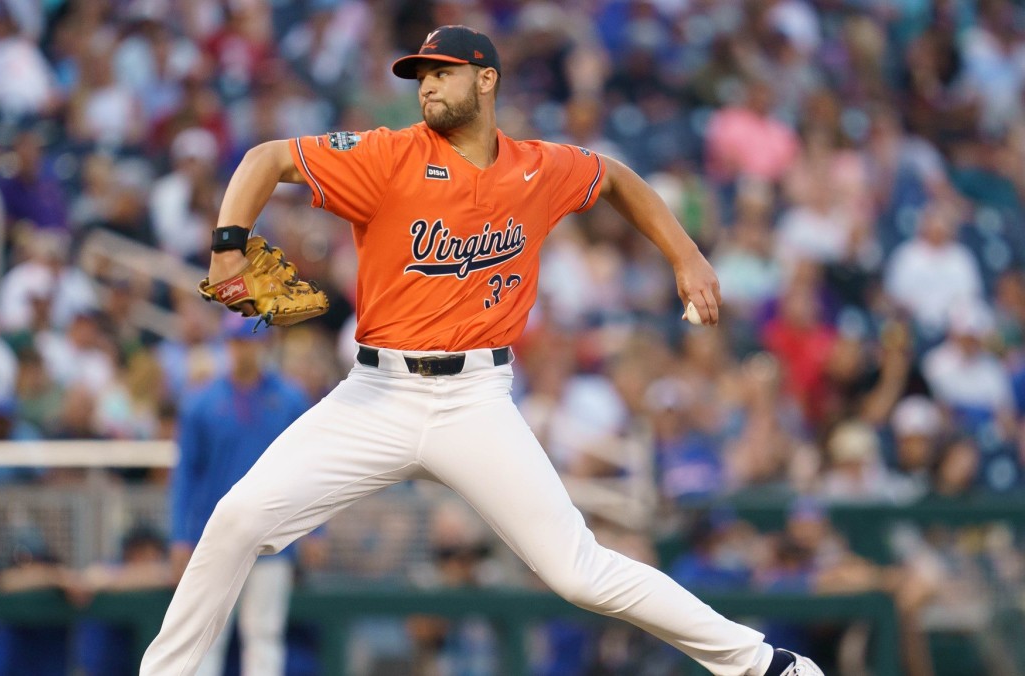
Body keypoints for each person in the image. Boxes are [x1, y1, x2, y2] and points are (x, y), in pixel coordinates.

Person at [143, 26, 823, 676]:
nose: (427, 86)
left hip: (475, 401)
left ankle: (763, 664)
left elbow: (614, 177)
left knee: (575, 570)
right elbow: (268, 157)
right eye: (420, 76)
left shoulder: (536, 169)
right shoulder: (387, 155)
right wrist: (230, 243)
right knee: (234, 520)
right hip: (376, 395)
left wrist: (687, 254)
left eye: (443, 73)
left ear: (486, 79)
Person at [167, 319, 309, 676]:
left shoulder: (290, 399)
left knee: (264, 633)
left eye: (248, 342)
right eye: (236, 342)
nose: (242, 350)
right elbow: (186, 475)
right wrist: (180, 537)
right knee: (208, 633)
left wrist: (315, 529)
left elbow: (309, 467)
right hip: (215, 535)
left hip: (272, 534)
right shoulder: (202, 403)